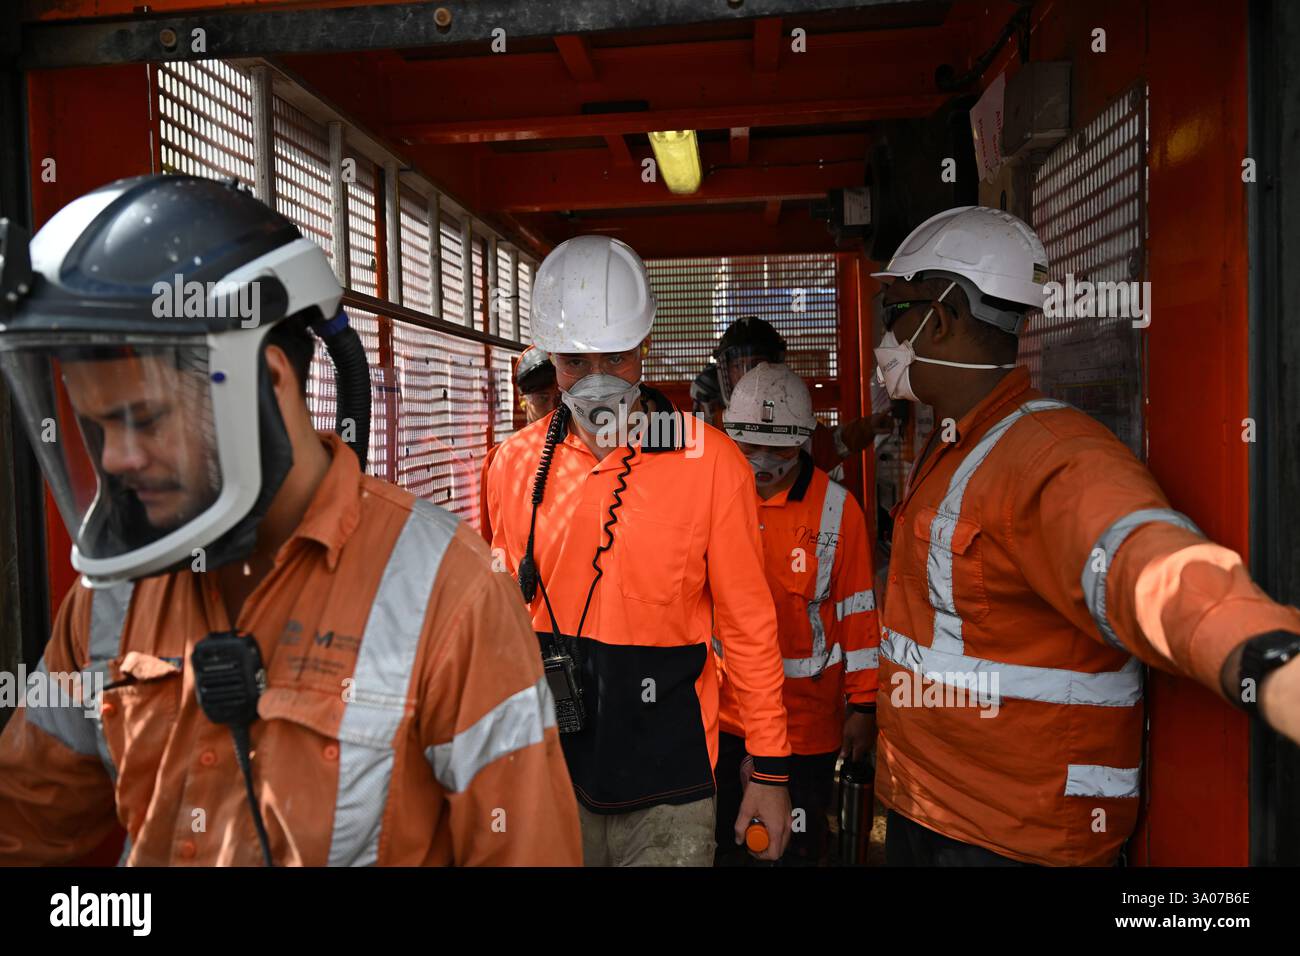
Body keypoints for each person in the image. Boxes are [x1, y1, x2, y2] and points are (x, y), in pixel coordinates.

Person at [0, 174, 582, 866]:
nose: (119, 459)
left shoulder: (450, 595)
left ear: (268, 386)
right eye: (97, 429)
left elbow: (526, 848)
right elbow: (24, 820)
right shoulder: (110, 599)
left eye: (145, 419)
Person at [868, 204, 1300, 866]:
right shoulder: (954, 441)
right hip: (936, 807)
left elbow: (1142, 557)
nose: (885, 337)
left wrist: (1263, 656)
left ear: (942, 315)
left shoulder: (1052, 455)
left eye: (894, 312)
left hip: (1015, 837)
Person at [486, 235, 794, 866]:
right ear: (549, 358)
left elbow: (748, 626)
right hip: (547, 774)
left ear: (647, 348)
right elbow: (500, 619)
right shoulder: (514, 466)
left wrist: (769, 769)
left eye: (617, 358)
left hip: (669, 787)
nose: (596, 380)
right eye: (574, 362)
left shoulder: (710, 464)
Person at [712, 362, 880, 866]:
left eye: (779, 447)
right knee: (726, 846)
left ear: (806, 439)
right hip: (722, 717)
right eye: (749, 446)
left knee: (794, 850)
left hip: (805, 726)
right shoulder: (715, 497)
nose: (763, 460)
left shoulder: (836, 510)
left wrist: (864, 707)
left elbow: (858, 614)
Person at [712, 315, 892, 472]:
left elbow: (831, 445)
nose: (750, 373)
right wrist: (701, 407)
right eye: (738, 366)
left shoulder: (791, 416)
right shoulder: (713, 425)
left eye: (758, 363)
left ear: (775, 365)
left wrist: (868, 427)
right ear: (725, 372)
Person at [479, 345, 558, 541]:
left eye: (561, 398)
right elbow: (490, 538)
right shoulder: (499, 459)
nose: (553, 408)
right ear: (522, 401)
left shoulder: (593, 455)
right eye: (541, 398)